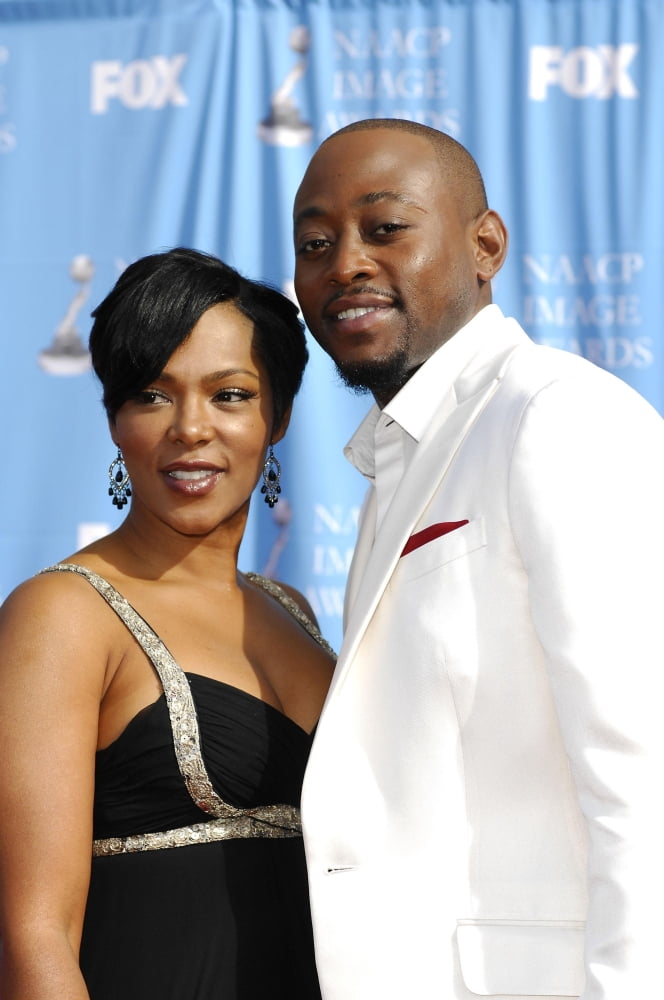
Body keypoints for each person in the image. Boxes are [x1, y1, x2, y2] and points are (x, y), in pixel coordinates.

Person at [292, 118, 664, 1000]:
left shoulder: (556, 415)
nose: (346, 264)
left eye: (386, 228)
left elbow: (643, 771)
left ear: (486, 246)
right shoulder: (400, 457)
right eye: (315, 244)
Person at [0, 247, 335, 1000]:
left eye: (230, 395)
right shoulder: (63, 614)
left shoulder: (292, 611)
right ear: (116, 422)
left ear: (277, 417)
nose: (190, 428)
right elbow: (34, 935)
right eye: (152, 395)